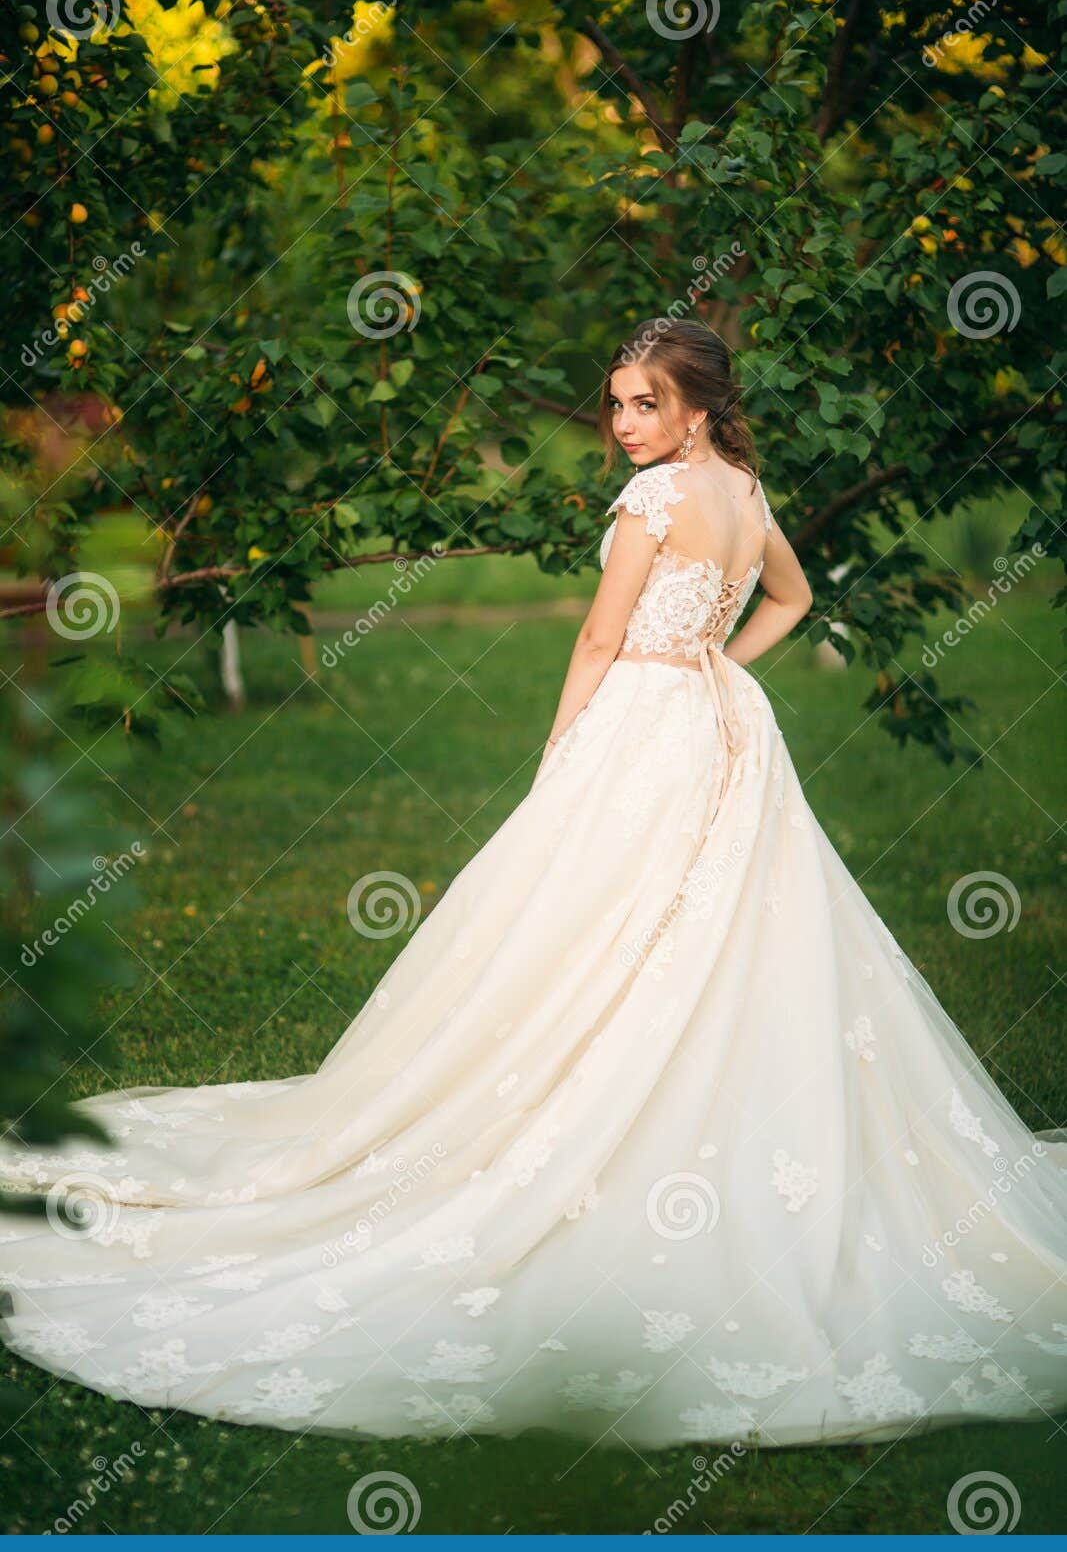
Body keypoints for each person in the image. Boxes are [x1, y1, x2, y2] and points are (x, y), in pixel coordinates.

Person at [1, 320, 1064, 1451]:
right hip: (720, 734)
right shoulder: (746, 494)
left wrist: (565, 756)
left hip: (643, 730)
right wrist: (719, 671)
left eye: (643, 404)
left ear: (692, 407)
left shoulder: (650, 504)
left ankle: (585, 1113)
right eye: (614, 404)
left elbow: (598, 641)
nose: (620, 426)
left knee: (587, 921)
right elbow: (792, 601)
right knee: (717, 928)